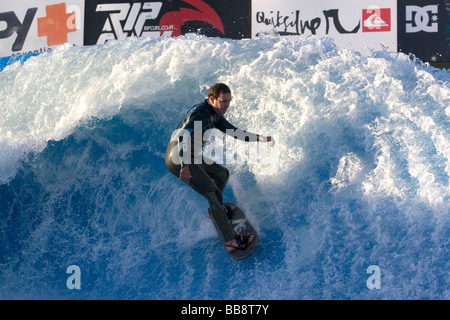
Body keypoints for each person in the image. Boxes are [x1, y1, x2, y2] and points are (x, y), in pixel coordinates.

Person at [165, 83, 275, 252]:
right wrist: (184, 166)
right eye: (223, 101)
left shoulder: (215, 115)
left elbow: (235, 132)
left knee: (222, 174)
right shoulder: (201, 114)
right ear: (212, 99)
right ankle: (231, 242)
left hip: (189, 156)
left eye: (229, 101)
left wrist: (260, 138)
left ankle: (214, 211)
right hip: (179, 158)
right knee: (212, 193)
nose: (227, 105)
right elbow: (183, 136)